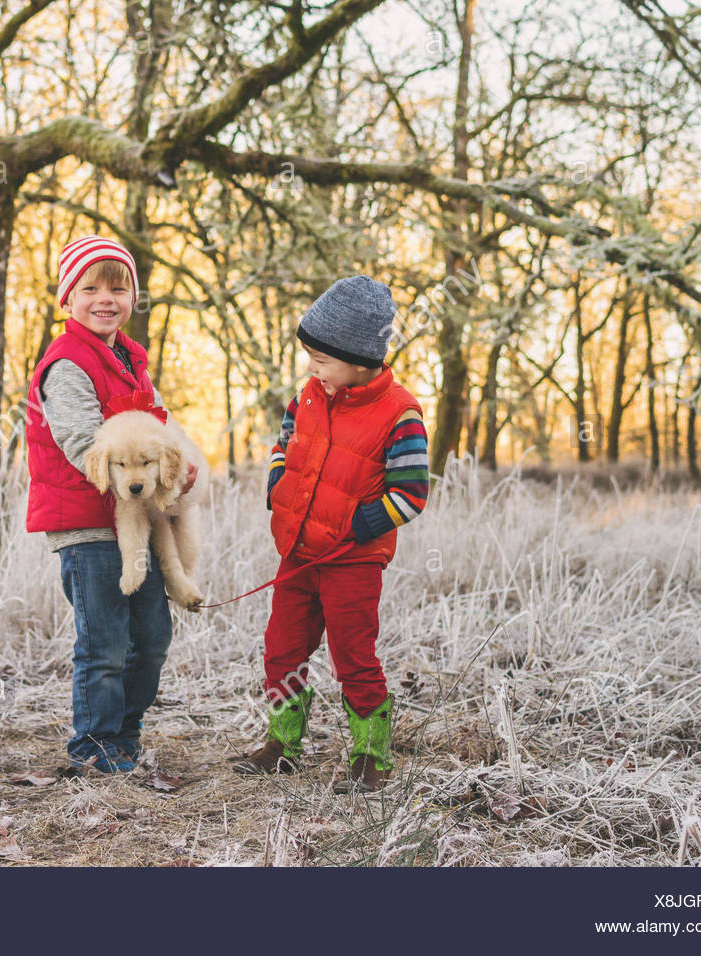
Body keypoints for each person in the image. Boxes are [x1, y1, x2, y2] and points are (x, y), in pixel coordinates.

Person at [234, 275, 429, 791]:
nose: (311, 368)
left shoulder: (399, 414)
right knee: (280, 650)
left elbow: (411, 492)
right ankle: (283, 743)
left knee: (354, 658)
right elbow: (283, 445)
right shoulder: (309, 396)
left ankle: (371, 758)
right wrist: (278, 482)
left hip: (352, 561)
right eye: (310, 357)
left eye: (321, 360)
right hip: (297, 554)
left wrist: (364, 524)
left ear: (360, 359)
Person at [24, 235, 196, 772]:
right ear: (68, 298)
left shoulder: (132, 360)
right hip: (86, 524)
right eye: (90, 288)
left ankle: (125, 734)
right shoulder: (66, 364)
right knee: (105, 645)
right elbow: (82, 444)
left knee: (152, 637)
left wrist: (176, 468)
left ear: (132, 298)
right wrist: (136, 480)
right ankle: (95, 749)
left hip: (138, 521)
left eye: (118, 288)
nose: (105, 299)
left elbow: (159, 427)